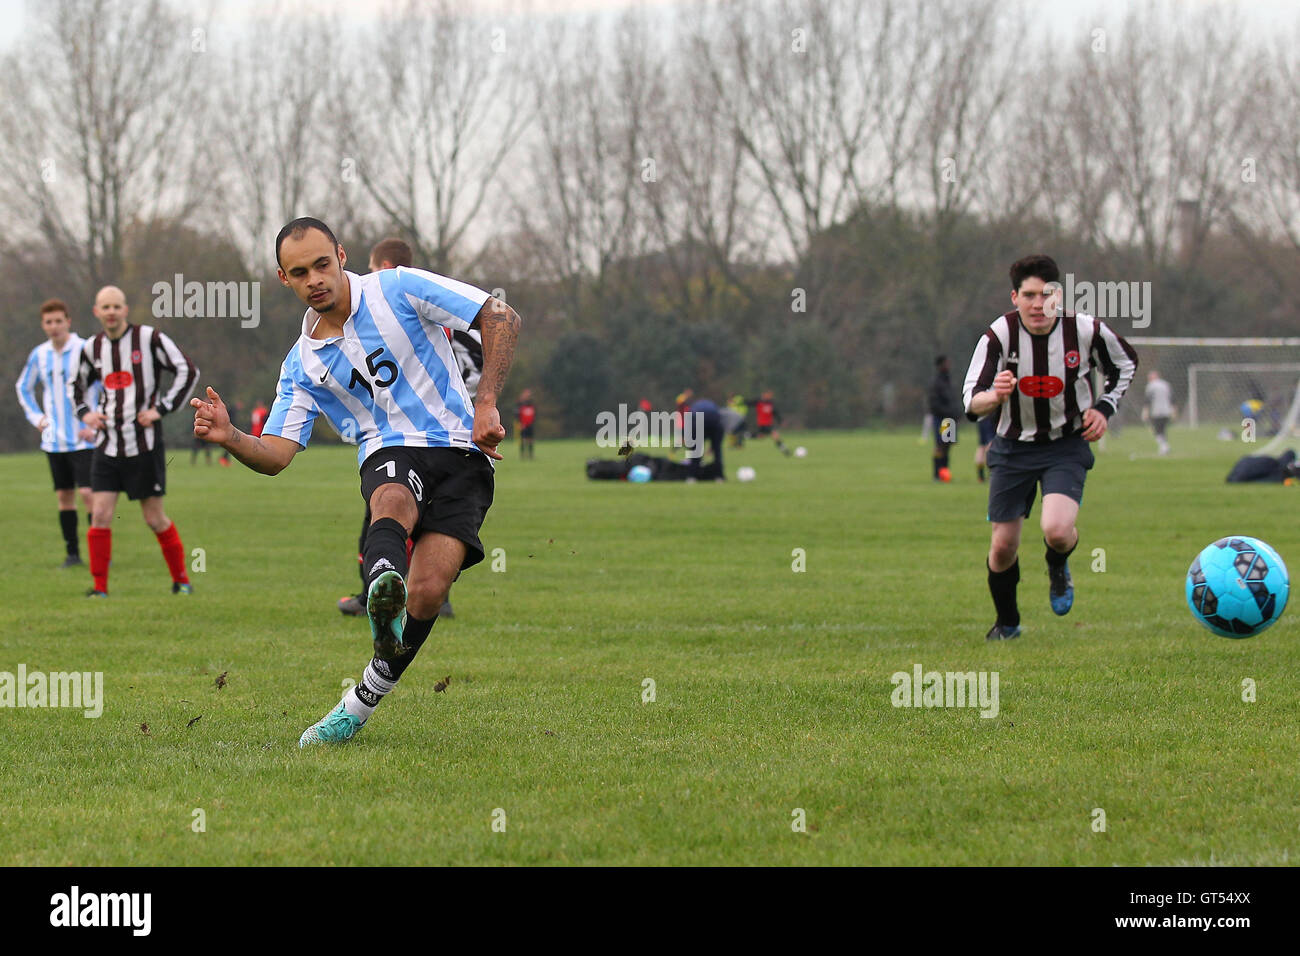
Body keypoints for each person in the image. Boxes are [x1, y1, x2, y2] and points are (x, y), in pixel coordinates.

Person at [193, 217, 520, 747]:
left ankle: (358, 703)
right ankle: (381, 584)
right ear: (284, 279)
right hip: (390, 451)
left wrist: (486, 402)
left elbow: (500, 315)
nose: (315, 278)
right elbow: (276, 454)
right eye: (300, 272)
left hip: (464, 453)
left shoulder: (399, 287)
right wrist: (232, 436)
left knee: (431, 591)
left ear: (342, 256)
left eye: (323, 264)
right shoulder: (301, 364)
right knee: (391, 494)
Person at [962, 254, 1137, 641]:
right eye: (1029, 295)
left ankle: (1057, 565)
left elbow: (1125, 364)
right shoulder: (998, 336)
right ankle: (1007, 623)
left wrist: (1105, 408)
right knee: (1003, 546)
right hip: (1012, 448)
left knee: (1057, 530)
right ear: (1015, 297)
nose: (1038, 305)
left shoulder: (1086, 330)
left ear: (1058, 296)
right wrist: (994, 395)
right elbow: (970, 400)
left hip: (1065, 444)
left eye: (1046, 295)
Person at [336, 238, 469, 621]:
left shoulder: (396, 306)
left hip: (406, 436)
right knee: (431, 520)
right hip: (452, 436)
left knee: (384, 515)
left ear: (384, 267)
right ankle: (433, 596)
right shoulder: (435, 310)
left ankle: (372, 594)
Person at [70, 286, 199, 597]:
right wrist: (87, 414)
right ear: (96, 312)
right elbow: (75, 386)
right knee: (100, 513)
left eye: (116, 306)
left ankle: (182, 581)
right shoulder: (92, 348)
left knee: (154, 517)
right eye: (105, 307)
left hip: (144, 444)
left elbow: (187, 371)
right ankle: (99, 588)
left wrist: (161, 409)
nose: (111, 312)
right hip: (107, 444)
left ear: (125, 309)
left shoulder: (149, 339)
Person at [15, 299, 100, 567]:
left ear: (68, 321)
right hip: (53, 440)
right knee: (64, 496)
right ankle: (73, 554)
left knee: (88, 493)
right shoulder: (39, 354)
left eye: (58, 321)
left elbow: (103, 386)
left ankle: (98, 553)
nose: (54, 327)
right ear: (43, 325)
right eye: (48, 322)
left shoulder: (85, 349)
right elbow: (23, 388)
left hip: (83, 436)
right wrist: (37, 417)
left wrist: (94, 420)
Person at [928, 355, 961, 482]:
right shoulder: (936, 382)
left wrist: (957, 413)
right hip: (942, 419)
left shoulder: (948, 380)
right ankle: (937, 473)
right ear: (940, 365)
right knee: (940, 446)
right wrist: (947, 412)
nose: (949, 365)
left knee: (947, 446)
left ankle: (944, 471)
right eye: (946, 363)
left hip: (950, 419)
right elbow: (934, 403)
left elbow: (953, 400)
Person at [682, 396, 725, 481]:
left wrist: (685, 437)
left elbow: (688, 423)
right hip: (715, 425)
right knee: (717, 452)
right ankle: (719, 477)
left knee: (696, 452)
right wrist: (714, 446)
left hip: (699, 423)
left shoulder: (694, 407)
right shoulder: (713, 406)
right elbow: (720, 421)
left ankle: (692, 476)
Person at [748, 390, 792, 455]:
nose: (770, 396)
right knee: (774, 435)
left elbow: (775, 413)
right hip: (762, 424)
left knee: (761, 436)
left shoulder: (770, 404)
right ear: (764, 395)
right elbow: (748, 403)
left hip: (768, 424)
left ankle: (747, 435)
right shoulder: (758, 401)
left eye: (771, 395)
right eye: (768, 395)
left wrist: (780, 421)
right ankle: (784, 450)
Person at [1142, 369, 1174, 456]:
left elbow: (1147, 400)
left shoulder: (1150, 386)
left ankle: (1164, 447)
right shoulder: (1166, 384)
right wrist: (1173, 410)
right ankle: (1164, 447)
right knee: (1162, 430)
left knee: (1157, 431)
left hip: (1156, 411)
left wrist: (1145, 412)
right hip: (1167, 411)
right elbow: (1172, 398)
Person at [516, 388, 536, 459]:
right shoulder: (520, 404)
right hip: (523, 425)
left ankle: (531, 455)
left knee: (530, 440)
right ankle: (522, 455)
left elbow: (534, 414)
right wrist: (520, 423)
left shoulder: (531, 403)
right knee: (523, 440)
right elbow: (517, 414)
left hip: (530, 424)